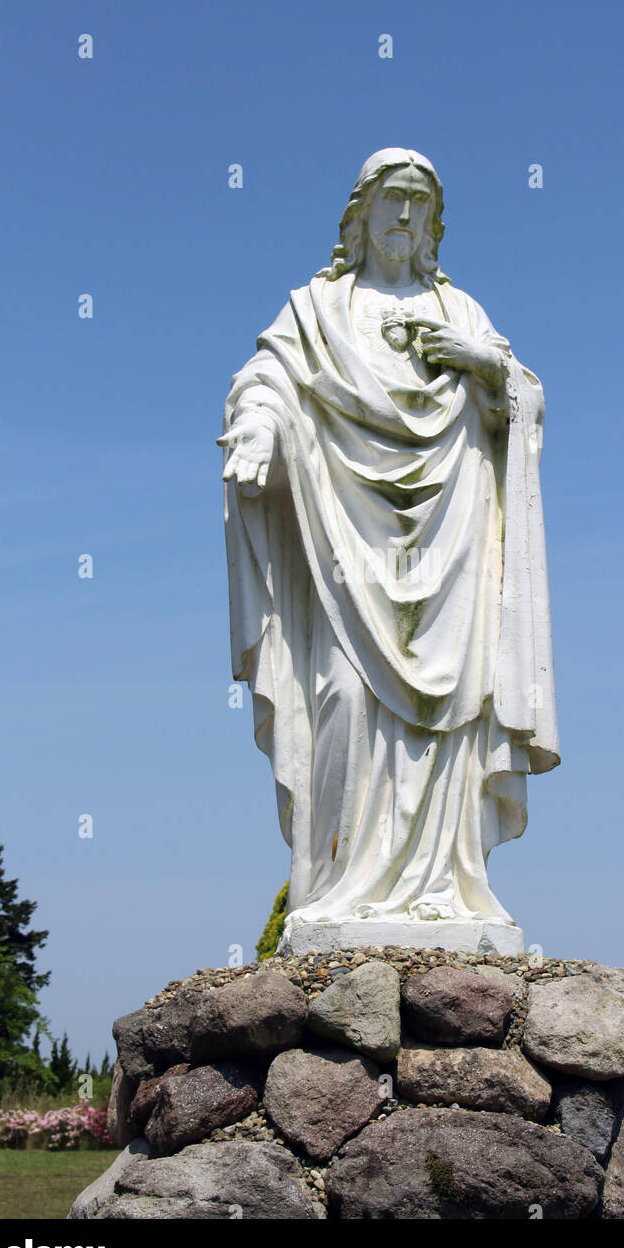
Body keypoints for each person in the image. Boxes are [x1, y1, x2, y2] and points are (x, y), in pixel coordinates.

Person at [219, 148, 559, 948]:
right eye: (391, 199)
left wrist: (486, 368)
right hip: (346, 547)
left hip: (454, 547)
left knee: (452, 712)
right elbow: (264, 379)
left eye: (419, 202)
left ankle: (446, 888)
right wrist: (259, 429)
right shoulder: (318, 307)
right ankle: (340, 886)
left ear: (434, 222)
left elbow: (526, 401)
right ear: (360, 213)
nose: (404, 215)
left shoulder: (463, 312)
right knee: (338, 694)